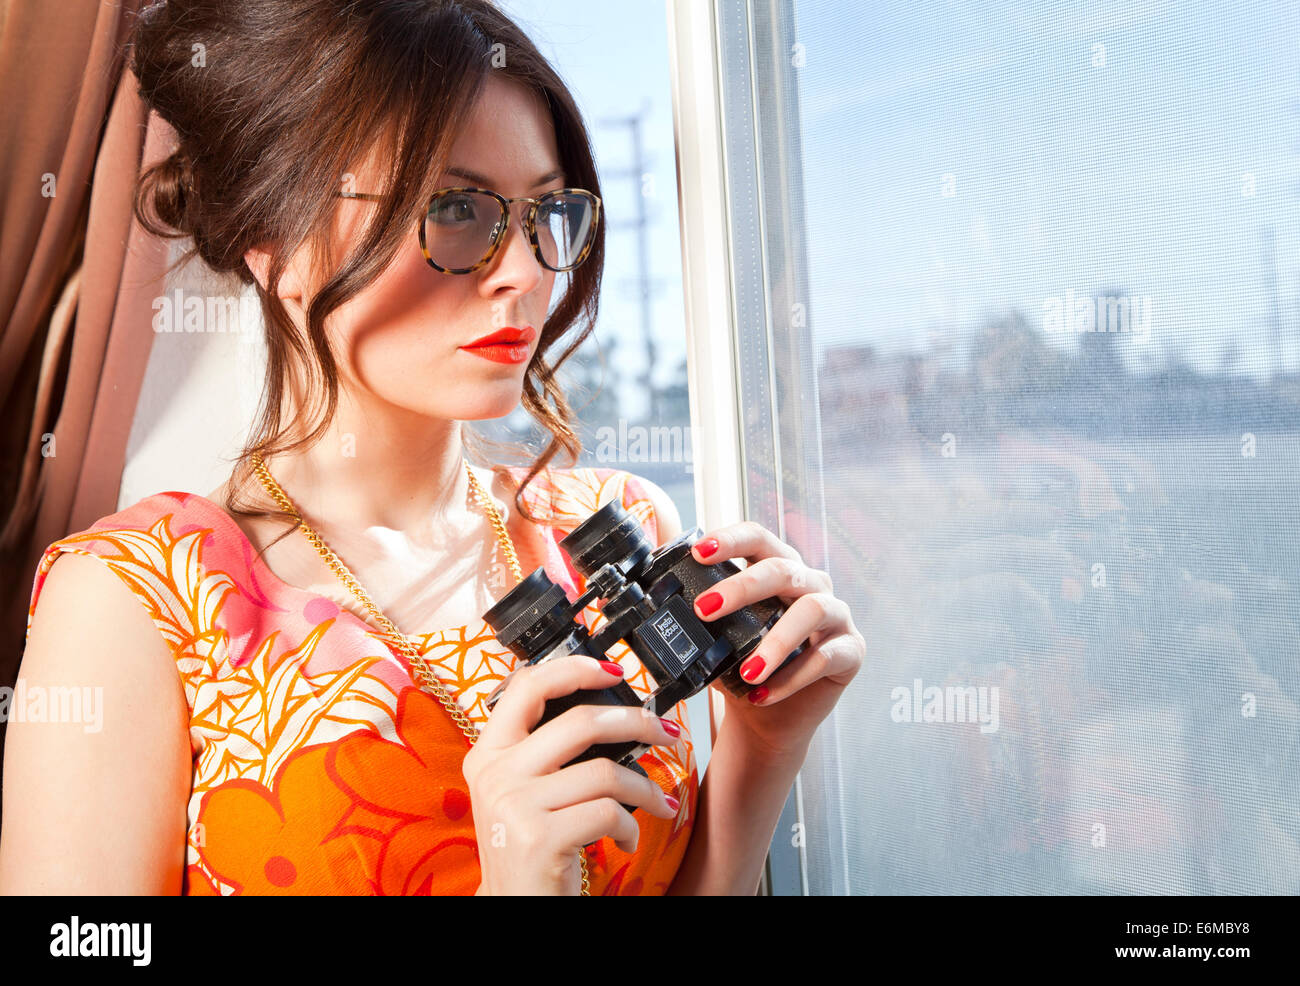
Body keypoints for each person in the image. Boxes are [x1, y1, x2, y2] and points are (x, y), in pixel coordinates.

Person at [0, 0, 864, 896]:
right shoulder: (137, 599)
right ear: (275, 241)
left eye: (547, 212)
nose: (526, 272)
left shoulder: (609, 531)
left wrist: (765, 748)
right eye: (455, 210)